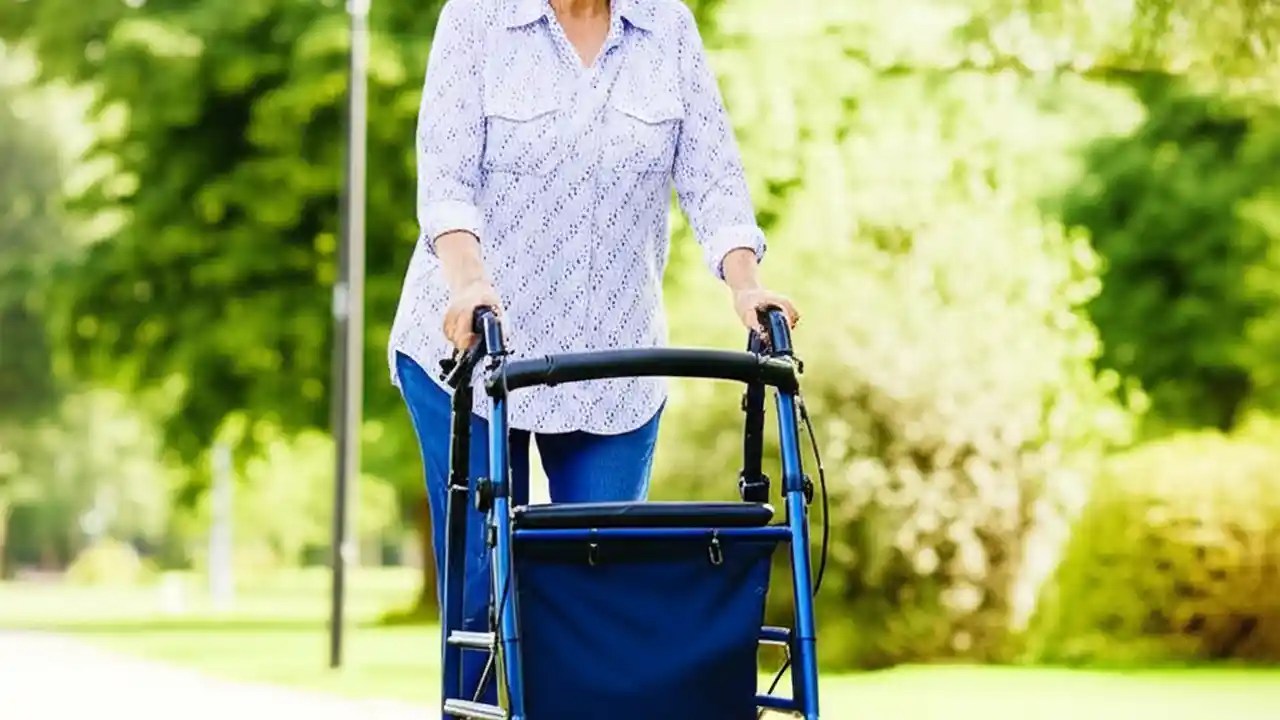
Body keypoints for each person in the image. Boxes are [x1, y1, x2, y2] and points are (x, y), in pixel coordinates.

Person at [387, 0, 800, 702]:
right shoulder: (478, 18)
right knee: (484, 588)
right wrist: (471, 282)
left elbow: (715, 182)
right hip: (473, 350)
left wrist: (747, 287)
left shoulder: (666, 27)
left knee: (603, 592)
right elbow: (447, 184)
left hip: (613, 367)